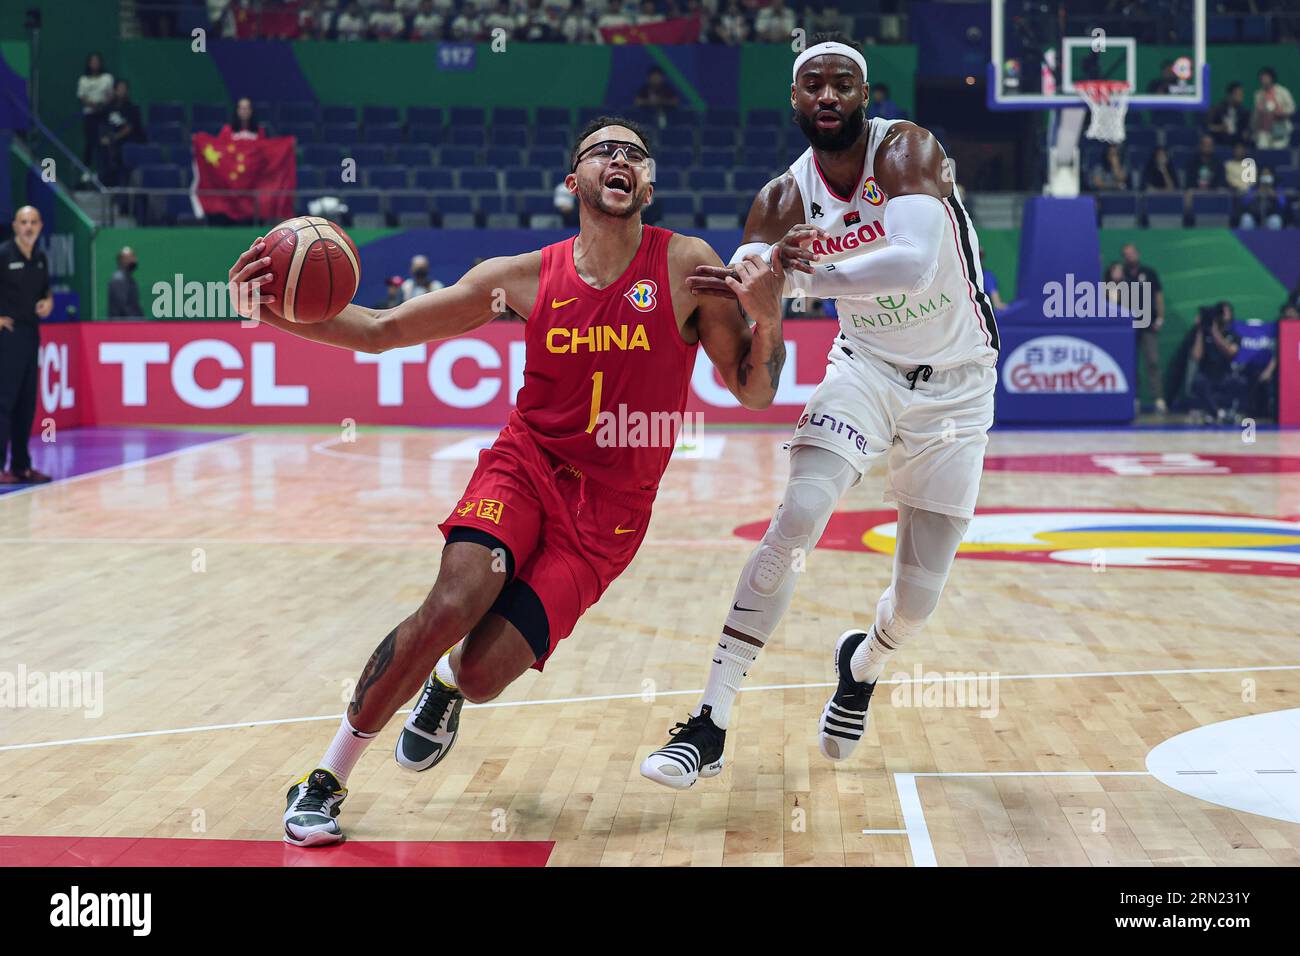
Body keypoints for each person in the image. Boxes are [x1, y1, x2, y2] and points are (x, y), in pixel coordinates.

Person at [228, 117, 787, 846]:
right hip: (525, 466)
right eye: (602, 151)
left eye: (635, 155)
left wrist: (768, 323)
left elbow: (753, 392)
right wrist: (270, 313)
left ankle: (449, 688)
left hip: (609, 513)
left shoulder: (687, 267)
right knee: (452, 602)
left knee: (485, 673)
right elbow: (382, 330)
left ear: (649, 183)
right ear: (573, 182)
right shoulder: (521, 279)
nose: (620, 160)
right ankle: (326, 777)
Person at [641, 35, 1001, 786]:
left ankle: (862, 663)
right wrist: (755, 282)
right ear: (796, 100)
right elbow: (753, 277)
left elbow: (910, 259)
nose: (828, 96)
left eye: (842, 84)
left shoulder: (906, 150)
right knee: (798, 516)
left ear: (864, 96)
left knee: (915, 602)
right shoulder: (781, 198)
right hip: (864, 368)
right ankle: (708, 722)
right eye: (813, 85)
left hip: (959, 388)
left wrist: (799, 277)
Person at [0, 207, 54, 485]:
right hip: (6, 336)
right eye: (24, 222)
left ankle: (21, 466)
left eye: (33, 222)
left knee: (26, 404)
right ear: (15, 226)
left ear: (41, 225)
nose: (28, 227)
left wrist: (49, 302)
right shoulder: (4, 254)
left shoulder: (41, 258)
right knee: (4, 402)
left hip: (31, 334)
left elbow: (45, 291)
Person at [1120, 243, 1167, 413]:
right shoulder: (1121, 274)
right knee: (1131, 363)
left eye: (1132, 253)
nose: (1129, 256)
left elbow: (1158, 296)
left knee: (1153, 361)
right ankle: (1135, 398)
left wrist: (1160, 317)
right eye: (1126, 254)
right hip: (1128, 325)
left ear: (1138, 254)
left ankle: (1159, 398)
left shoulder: (1149, 273)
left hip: (1148, 323)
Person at [1187, 302, 1245, 424]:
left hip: (1224, 373)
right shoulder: (1202, 334)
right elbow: (1196, 356)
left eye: (1226, 312)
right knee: (1198, 382)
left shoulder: (1233, 335)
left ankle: (1223, 411)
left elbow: (1230, 352)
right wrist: (1200, 330)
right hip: (1206, 373)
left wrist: (1215, 332)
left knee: (1238, 381)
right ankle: (1218, 413)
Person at [96, 80, 145, 188]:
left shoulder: (132, 108)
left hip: (127, 143)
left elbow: (129, 128)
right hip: (111, 146)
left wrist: (114, 138)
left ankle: (122, 189)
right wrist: (105, 138)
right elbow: (102, 125)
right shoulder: (108, 108)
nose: (122, 91)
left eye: (124, 89)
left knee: (122, 155)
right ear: (115, 90)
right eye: (119, 88)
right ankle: (105, 185)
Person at [76, 53, 114, 175]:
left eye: (97, 61)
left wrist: (102, 105)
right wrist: (93, 105)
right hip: (90, 116)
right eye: (92, 61)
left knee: (103, 144)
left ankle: (103, 172)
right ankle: (86, 173)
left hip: (104, 115)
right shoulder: (83, 80)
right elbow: (82, 97)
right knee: (90, 144)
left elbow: (111, 95)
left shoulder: (107, 78)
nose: (95, 63)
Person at [1252, 67, 1295, 149]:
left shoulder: (1282, 91)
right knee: (1262, 149)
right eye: (1261, 78)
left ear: (1272, 78)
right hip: (1264, 129)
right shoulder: (1258, 94)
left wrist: (1282, 113)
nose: (1263, 80)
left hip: (1279, 127)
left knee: (1278, 150)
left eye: (1265, 78)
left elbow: (1291, 108)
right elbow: (1256, 114)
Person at [1205, 81, 1250, 146]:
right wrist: (1220, 128)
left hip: (1237, 145)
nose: (1241, 97)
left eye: (1242, 94)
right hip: (1219, 142)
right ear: (1230, 95)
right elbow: (1208, 126)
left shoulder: (1244, 112)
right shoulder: (1218, 109)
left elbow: (1246, 130)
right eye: (1238, 94)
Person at [107, 246, 143, 318]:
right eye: (129, 258)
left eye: (133, 257)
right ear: (121, 261)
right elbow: (123, 307)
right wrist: (137, 321)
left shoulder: (130, 280)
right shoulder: (117, 281)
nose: (134, 260)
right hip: (121, 325)